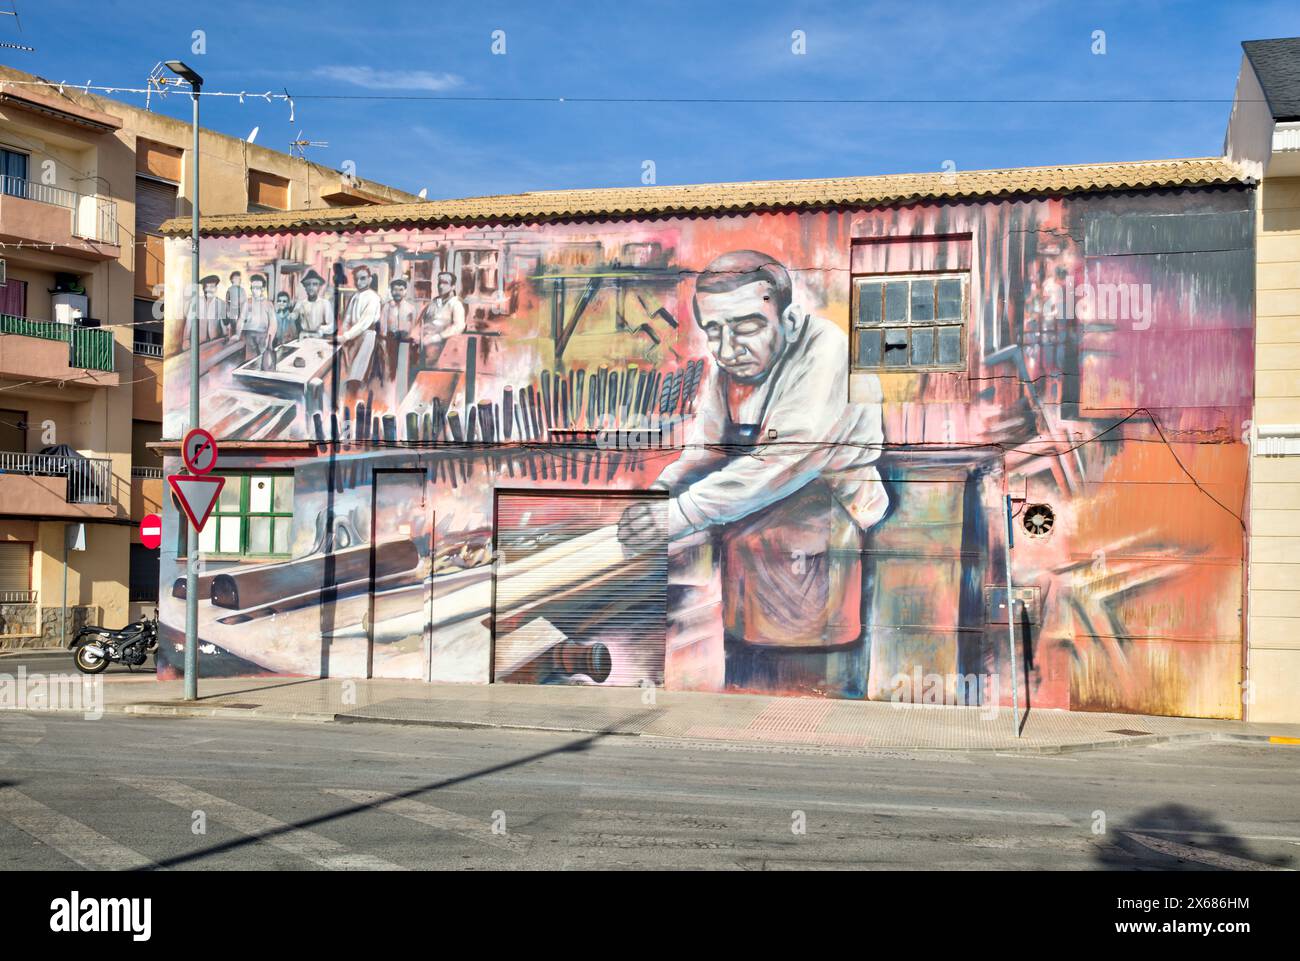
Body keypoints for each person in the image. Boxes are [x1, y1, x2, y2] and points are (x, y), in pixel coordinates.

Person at [618, 250, 889, 697]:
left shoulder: (829, 352)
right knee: (744, 690)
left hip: (819, 562)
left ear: (789, 319)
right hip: (748, 572)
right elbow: (703, 452)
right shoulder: (730, 368)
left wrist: (675, 517)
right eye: (714, 333)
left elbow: (785, 460)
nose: (727, 350)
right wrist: (655, 498)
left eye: (747, 328)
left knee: (812, 703)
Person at [336, 265, 381, 392]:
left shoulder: (373, 297)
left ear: (370, 279)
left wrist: (345, 336)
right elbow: (347, 319)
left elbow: (364, 323)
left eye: (363, 278)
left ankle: (355, 398)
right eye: (356, 279)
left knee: (357, 372)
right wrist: (343, 334)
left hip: (367, 335)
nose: (359, 282)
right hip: (353, 336)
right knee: (348, 369)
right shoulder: (355, 297)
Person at [417, 271, 466, 369]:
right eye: (439, 283)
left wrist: (438, 337)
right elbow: (421, 322)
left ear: (453, 286)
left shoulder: (456, 304)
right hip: (425, 348)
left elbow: (459, 326)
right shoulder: (433, 303)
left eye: (445, 283)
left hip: (445, 349)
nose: (441, 286)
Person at [379, 277, 418, 398]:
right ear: (391, 291)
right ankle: (390, 393)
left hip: (406, 341)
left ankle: (403, 392)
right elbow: (383, 325)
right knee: (390, 367)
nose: (398, 292)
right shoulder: (386, 307)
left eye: (401, 290)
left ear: (405, 291)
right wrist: (384, 341)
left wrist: (413, 339)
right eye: (395, 290)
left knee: (404, 366)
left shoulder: (411, 308)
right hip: (390, 340)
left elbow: (414, 326)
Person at [236, 273, 276, 370]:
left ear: (262, 289)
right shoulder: (247, 303)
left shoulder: (268, 304)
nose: (255, 290)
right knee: (251, 362)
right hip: (249, 336)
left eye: (258, 288)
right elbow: (241, 319)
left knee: (265, 361)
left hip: (263, 335)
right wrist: (237, 334)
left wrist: (269, 338)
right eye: (253, 287)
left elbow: (273, 323)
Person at [182, 274, 224, 347]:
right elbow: (189, 322)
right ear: (203, 288)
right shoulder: (195, 302)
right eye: (206, 287)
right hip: (198, 344)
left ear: (216, 288)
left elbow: (224, 325)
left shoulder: (221, 304)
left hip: (215, 342)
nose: (208, 289)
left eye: (211, 287)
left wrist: (226, 338)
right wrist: (186, 339)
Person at [292, 269, 335, 337]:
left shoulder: (325, 303)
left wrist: (321, 329)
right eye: (308, 284)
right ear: (305, 287)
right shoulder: (300, 303)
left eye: (315, 284)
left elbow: (331, 326)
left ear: (319, 287)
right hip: (304, 336)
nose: (311, 287)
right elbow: (293, 316)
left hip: (319, 337)